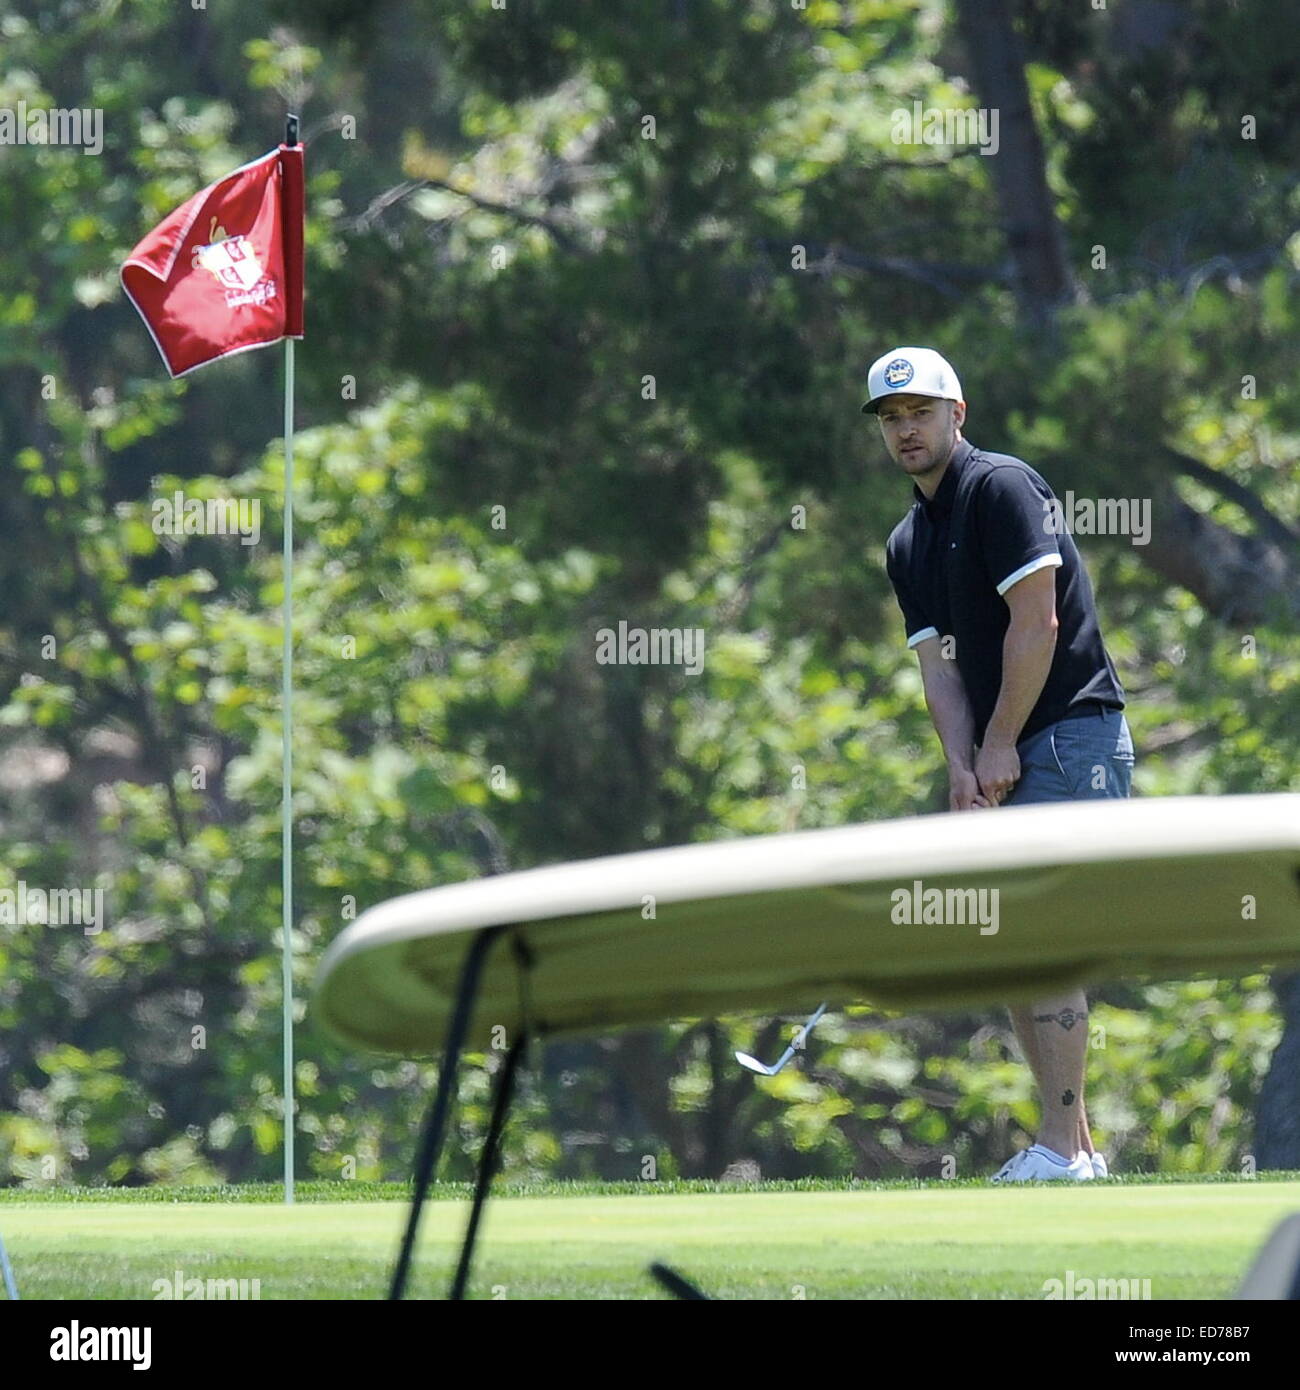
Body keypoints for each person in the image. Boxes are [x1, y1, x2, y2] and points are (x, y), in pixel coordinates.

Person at [868, 346, 1135, 1182]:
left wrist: (996, 744)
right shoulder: (909, 541)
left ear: (958, 412)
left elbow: (1039, 624)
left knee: (1046, 942)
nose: (906, 429)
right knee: (1021, 945)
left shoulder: (1003, 488)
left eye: (920, 412)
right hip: (1010, 750)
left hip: (1069, 737)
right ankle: (1077, 1153)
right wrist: (960, 764)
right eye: (890, 418)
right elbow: (938, 668)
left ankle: (1062, 1151)